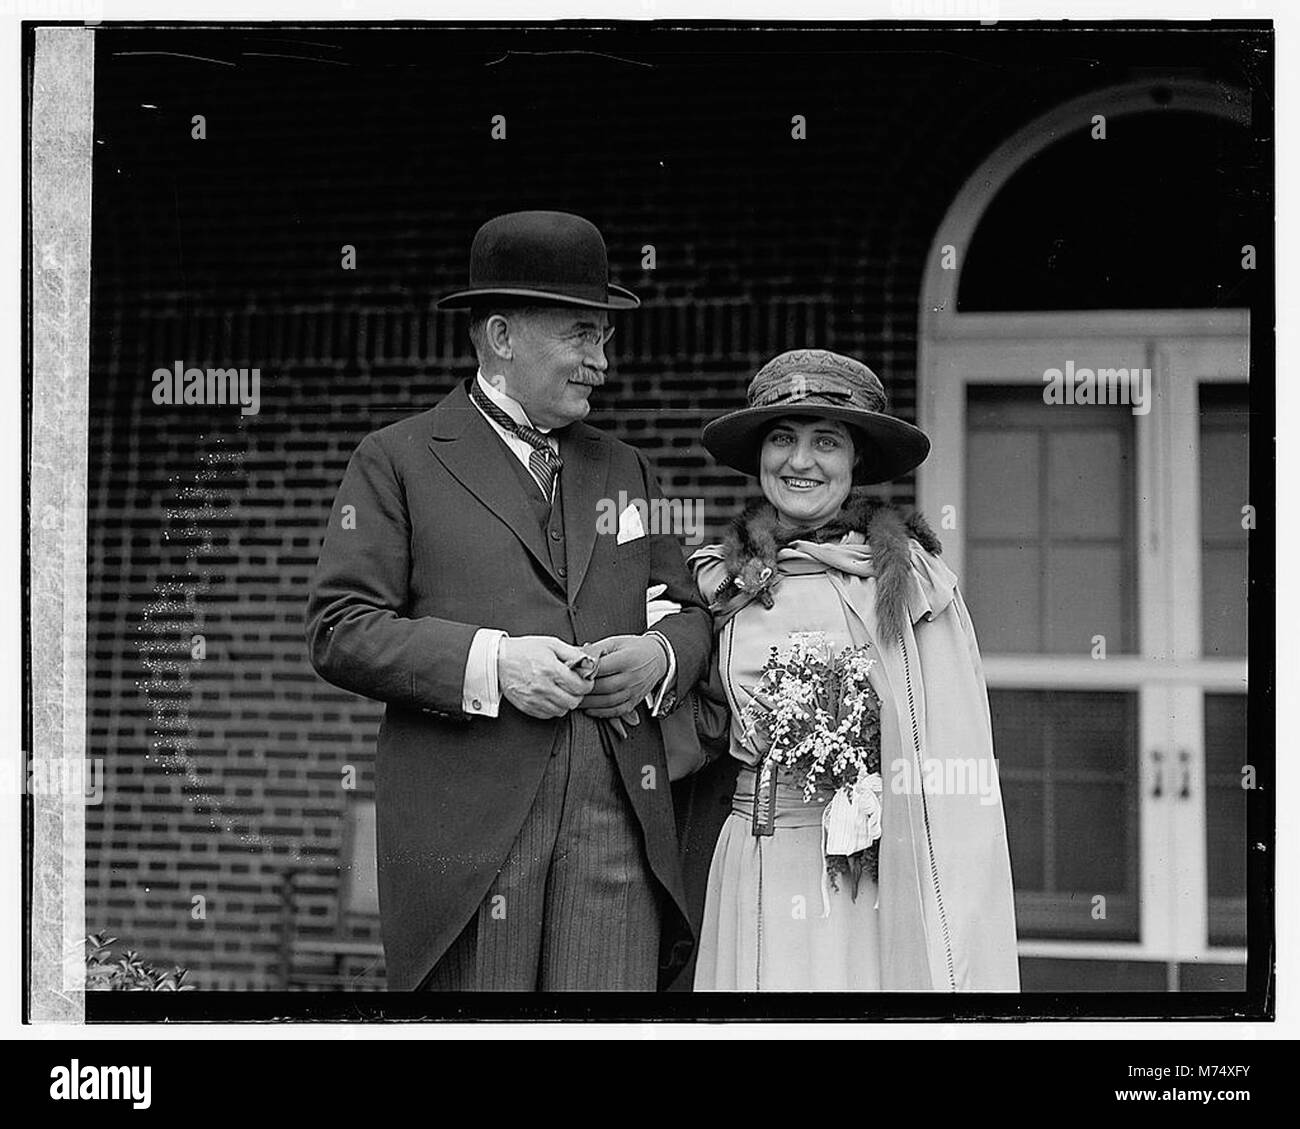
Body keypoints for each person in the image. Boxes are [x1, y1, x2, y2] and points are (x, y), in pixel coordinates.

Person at [305, 211, 712, 991]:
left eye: (605, 339)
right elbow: (340, 629)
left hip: (618, 819)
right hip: (470, 840)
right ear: (500, 334)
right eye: (581, 336)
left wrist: (660, 655)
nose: (601, 363)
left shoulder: (629, 467)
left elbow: (693, 608)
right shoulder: (396, 460)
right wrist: (496, 662)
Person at [688, 348, 1019, 991]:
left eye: (826, 441)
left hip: (857, 868)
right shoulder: (721, 579)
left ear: (856, 458)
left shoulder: (907, 583)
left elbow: (947, 754)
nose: (800, 461)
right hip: (745, 854)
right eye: (782, 438)